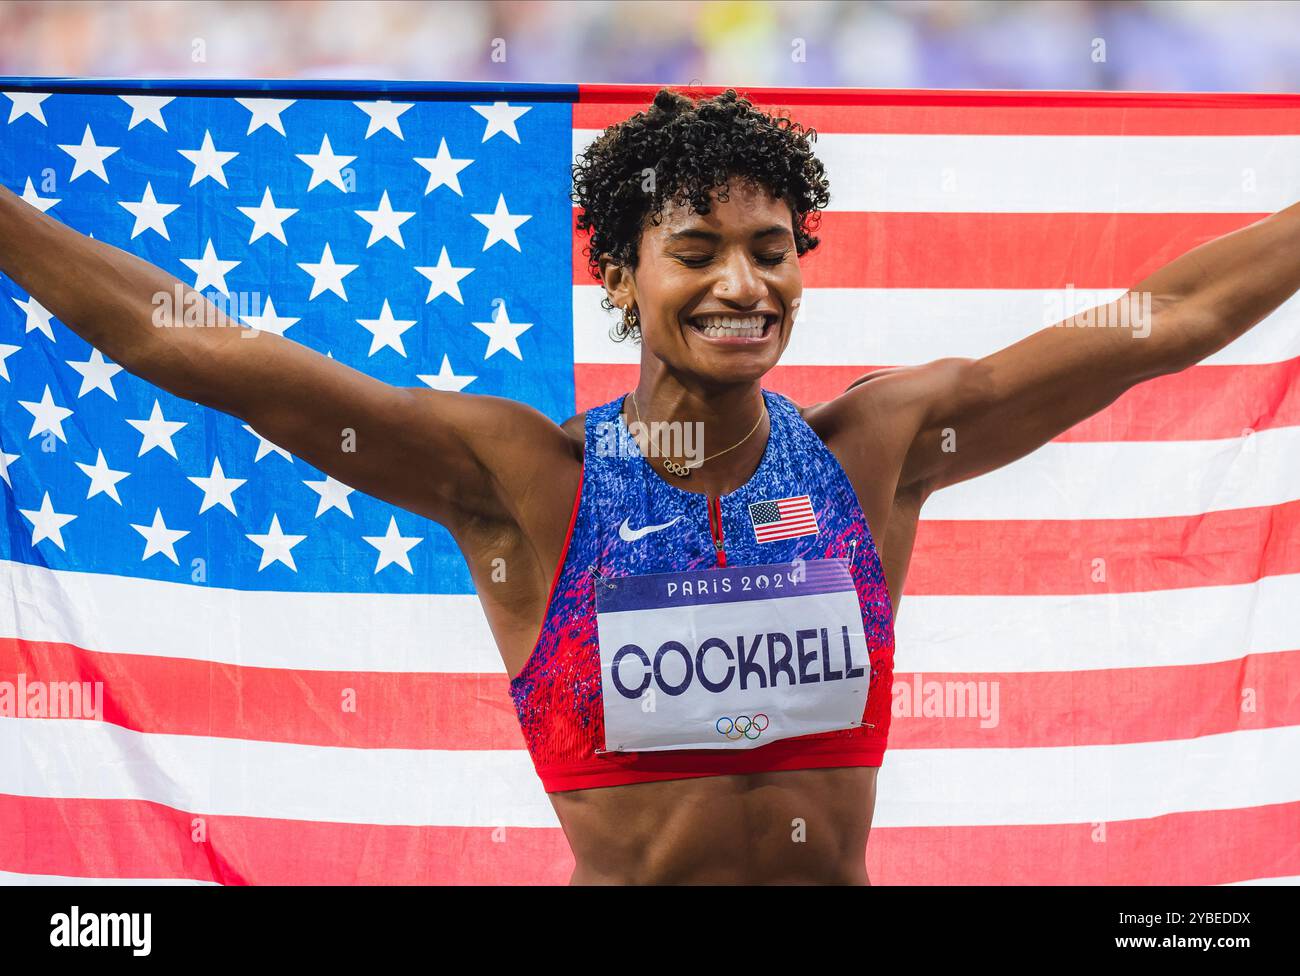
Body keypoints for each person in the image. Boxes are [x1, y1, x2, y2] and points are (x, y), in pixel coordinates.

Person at [1, 86, 1296, 885]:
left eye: (772, 250)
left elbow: (1164, 316)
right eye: (696, 251)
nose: (744, 283)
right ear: (621, 278)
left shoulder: (878, 451)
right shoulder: (523, 483)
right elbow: (195, 347)